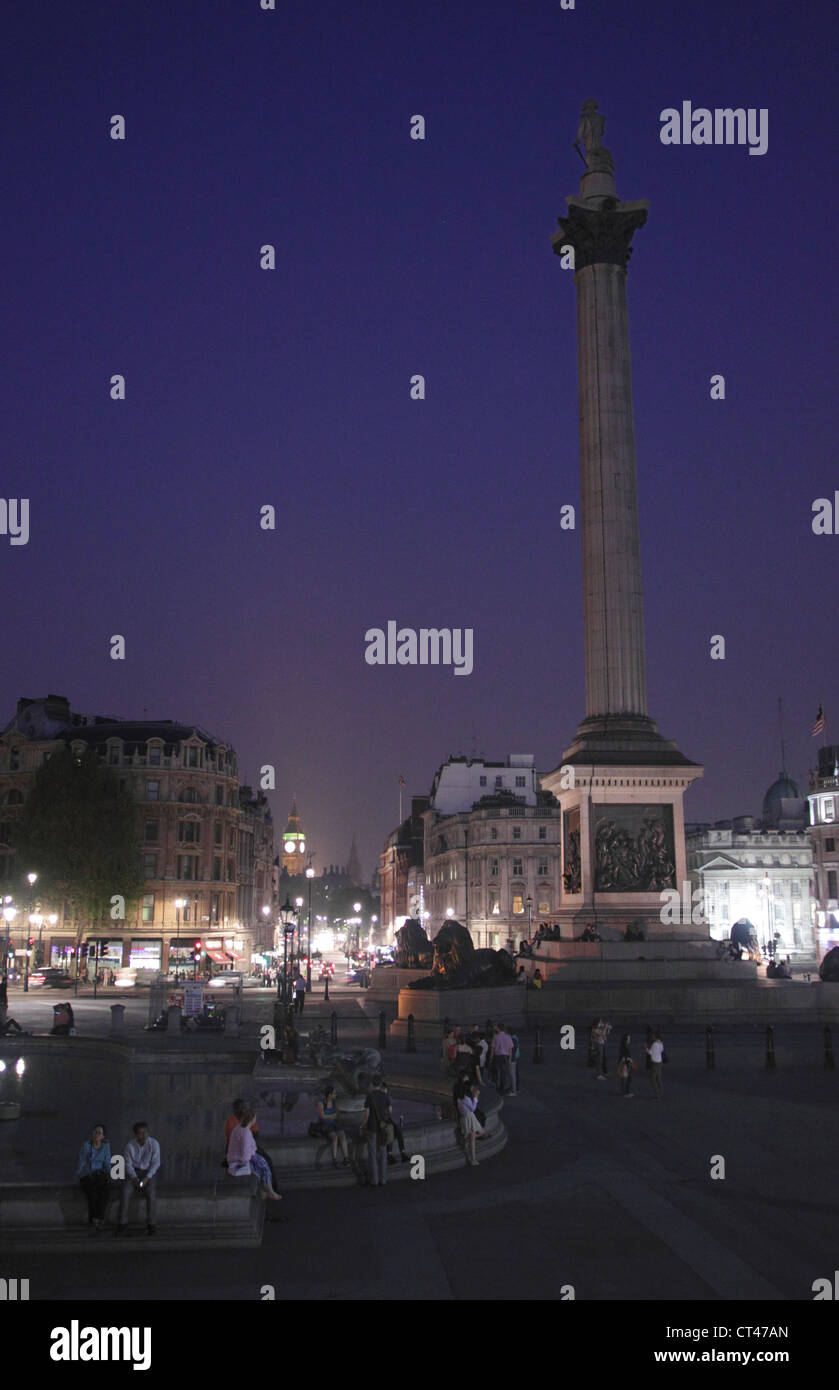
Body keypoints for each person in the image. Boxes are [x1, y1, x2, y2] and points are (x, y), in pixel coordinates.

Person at [227, 1107, 283, 1200]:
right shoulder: (245, 1132)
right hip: (239, 1159)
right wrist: (250, 1160)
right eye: (255, 1118)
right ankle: (270, 1191)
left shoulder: (240, 1129)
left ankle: (265, 1190)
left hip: (238, 1156)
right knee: (263, 1165)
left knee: (263, 1162)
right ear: (251, 1119)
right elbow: (245, 1153)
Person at [115, 1122, 161, 1235]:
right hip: (134, 1172)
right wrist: (134, 1178)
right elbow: (128, 1164)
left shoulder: (154, 1144)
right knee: (125, 1192)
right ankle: (122, 1223)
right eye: (141, 1133)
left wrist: (147, 1178)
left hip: (148, 1172)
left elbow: (156, 1163)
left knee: (151, 1193)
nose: (144, 1135)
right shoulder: (130, 1146)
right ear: (136, 1135)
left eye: (145, 1132)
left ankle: (151, 1224)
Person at [76, 1123, 112, 1230]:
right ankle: (94, 1219)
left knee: (105, 1191)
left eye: (99, 1133)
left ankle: (98, 1217)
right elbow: (82, 1163)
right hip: (88, 1175)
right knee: (92, 1193)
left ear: (103, 1136)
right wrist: (78, 1175)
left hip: (99, 1175)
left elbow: (107, 1163)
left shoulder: (105, 1147)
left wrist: (111, 1175)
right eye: (95, 1132)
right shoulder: (87, 1146)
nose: (96, 1134)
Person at [360, 1074, 391, 1187]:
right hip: (382, 1127)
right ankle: (383, 1179)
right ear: (380, 1084)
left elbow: (367, 1114)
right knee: (383, 1153)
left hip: (372, 1127)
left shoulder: (370, 1096)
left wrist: (362, 1125)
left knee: (372, 1154)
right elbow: (389, 1111)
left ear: (372, 1083)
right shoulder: (384, 1095)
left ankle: (375, 1180)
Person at [316, 1086, 350, 1167]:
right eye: (334, 1093)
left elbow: (337, 1115)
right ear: (329, 1095)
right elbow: (322, 1116)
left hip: (334, 1124)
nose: (336, 1095)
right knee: (334, 1137)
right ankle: (334, 1159)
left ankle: (346, 1158)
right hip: (325, 1125)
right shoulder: (321, 1103)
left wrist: (330, 1116)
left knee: (342, 1135)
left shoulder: (335, 1103)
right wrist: (332, 1116)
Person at [380, 1082, 411, 1165]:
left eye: (385, 1090)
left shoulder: (387, 1098)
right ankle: (389, 1155)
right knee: (391, 1131)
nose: (385, 1091)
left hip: (387, 1119)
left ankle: (402, 1153)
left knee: (398, 1131)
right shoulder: (378, 1098)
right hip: (381, 1120)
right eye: (383, 1089)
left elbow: (392, 1111)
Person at [458, 1083, 485, 1166]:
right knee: (475, 1136)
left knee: (477, 1134)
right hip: (469, 1117)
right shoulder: (466, 1099)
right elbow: (473, 1108)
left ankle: (465, 1141)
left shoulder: (460, 1098)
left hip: (465, 1117)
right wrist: (476, 1097)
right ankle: (473, 1159)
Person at [490, 1024, 514, 1096]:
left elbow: (492, 1048)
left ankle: (497, 1087)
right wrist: (509, 1058)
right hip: (505, 1057)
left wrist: (491, 1058)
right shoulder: (508, 1037)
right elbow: (510, 1049)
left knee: (497, 1072)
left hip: (497, 1056)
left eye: (497, 1028)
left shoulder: (495, 1037)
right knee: (505, 1073)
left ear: (498, 1029)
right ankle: (504, 1088)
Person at [646, 1030, 664, 1098]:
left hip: (654, 1062)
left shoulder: (654, 1044)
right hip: (660, 1062)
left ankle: (657, 1093)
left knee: (652, 1079)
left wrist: (646, 1048)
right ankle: (660, 1091)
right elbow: (661, 1050)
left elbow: (650, 1053)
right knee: (658, 1078)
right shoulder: (661, 1043)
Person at [509, 1030, 521, 1096]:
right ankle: (516, 1086)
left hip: (515, 1057)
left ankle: (516, 1087)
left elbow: (514, 1049)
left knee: (515, 1072)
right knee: (515, 1072)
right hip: (516, 1056)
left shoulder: (513, 1039)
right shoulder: (515, 1037)